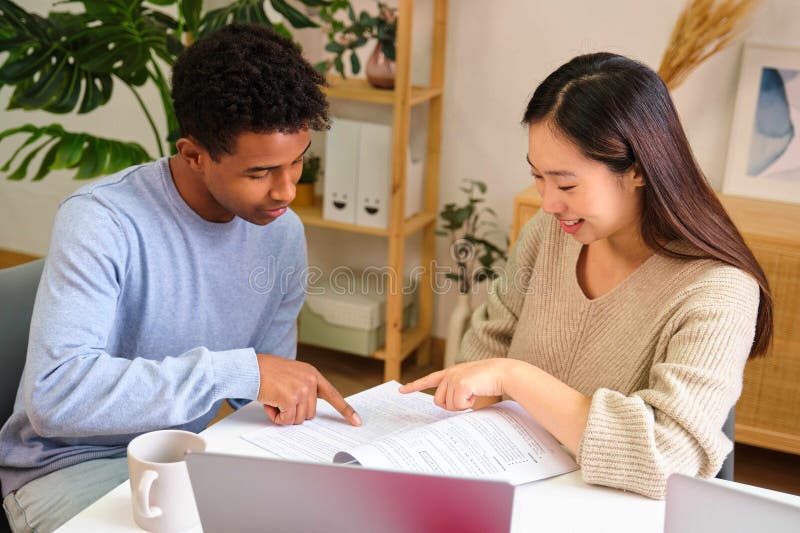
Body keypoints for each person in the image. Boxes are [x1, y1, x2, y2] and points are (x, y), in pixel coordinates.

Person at [0, 24, 361, 532]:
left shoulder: (282, 235)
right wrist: (240, 371)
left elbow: (258, 392)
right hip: (68, 468)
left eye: (297, 162)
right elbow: (55, 397)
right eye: (260, 173)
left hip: (181, 460)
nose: (287, 192)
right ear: (193, 154)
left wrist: (285, 413)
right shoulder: (103, 221)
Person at [401, 52, 773, 500]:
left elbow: (668, 458)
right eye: (538, 177)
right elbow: (487, 347)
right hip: (512, 488)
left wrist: (515, 378)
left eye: (567, 184)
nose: (548, 203)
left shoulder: (718, 290)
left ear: (637, 168)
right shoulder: (550, 235)